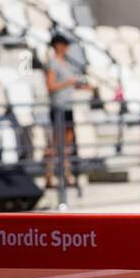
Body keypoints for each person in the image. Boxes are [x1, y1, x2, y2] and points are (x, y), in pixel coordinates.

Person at [43, 33, 92, 188]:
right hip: (58, 107)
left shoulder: (66, 63)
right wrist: (68, 83)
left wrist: (80, 86)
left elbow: (69, 84)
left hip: (68, 107)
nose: (66, 48)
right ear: (57, 46)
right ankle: (49, 176)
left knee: (67, 145)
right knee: (56, 144)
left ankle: (67, 175)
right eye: (64, 45)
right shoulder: (52, 64)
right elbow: (50, 87)